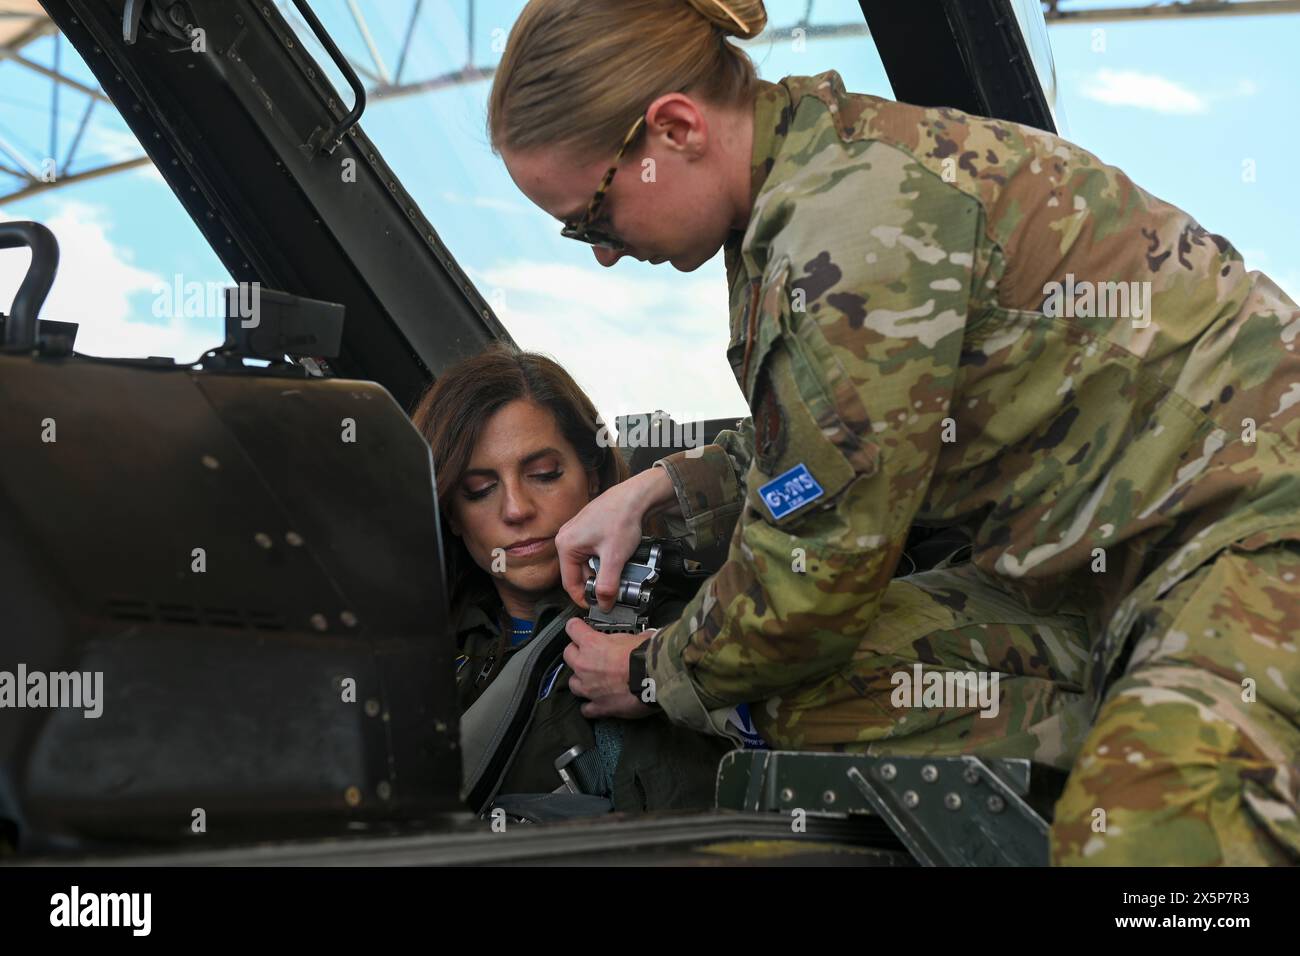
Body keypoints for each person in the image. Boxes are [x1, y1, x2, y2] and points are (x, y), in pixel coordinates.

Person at [486, 0, 1300, 864]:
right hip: (1081, 575)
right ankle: (1133, 717)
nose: (601, 252)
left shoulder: (851, 232)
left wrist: (649, 672)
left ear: (676, 128)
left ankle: (1182, 745)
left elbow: (814, 578)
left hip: (1243, 535)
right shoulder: (802, 181)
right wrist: (658, 489)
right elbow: (831, 439)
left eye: (591, 219)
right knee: (795, 700)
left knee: (1156, 850)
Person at [410, 344, 732, 811]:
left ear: (595, 477)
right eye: (479, 489)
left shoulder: (683, 636)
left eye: (543, 474)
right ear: (452, 513)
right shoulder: (407, 653)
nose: (516, 509)